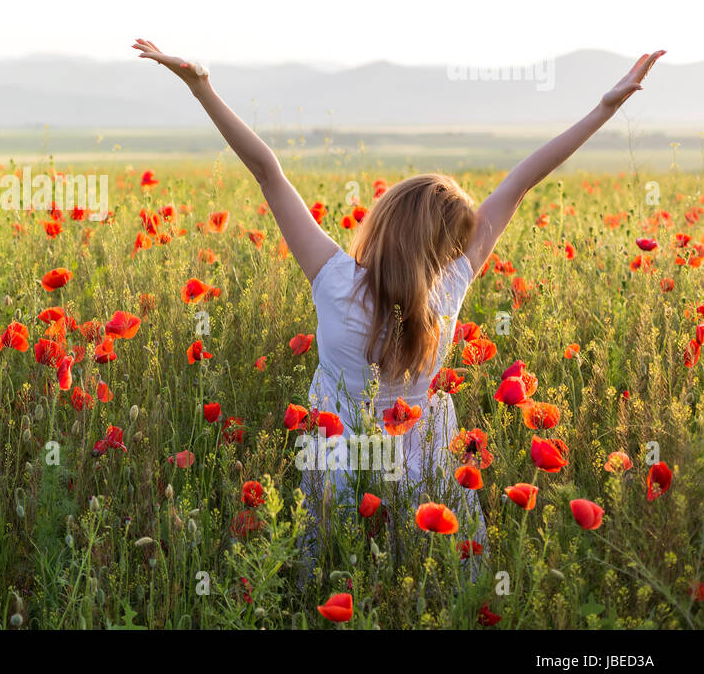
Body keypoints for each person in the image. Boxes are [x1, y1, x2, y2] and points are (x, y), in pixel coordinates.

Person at [134, 38, 666, 558]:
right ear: (447, 246)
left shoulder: (334, 278)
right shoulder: (451, 286)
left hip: (343, 456)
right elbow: (524, 179)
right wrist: (604, 108)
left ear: (385, 220)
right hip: (424, 457)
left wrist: (200, 86)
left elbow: (266, 169)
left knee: (342, 566)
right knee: (420, 566)